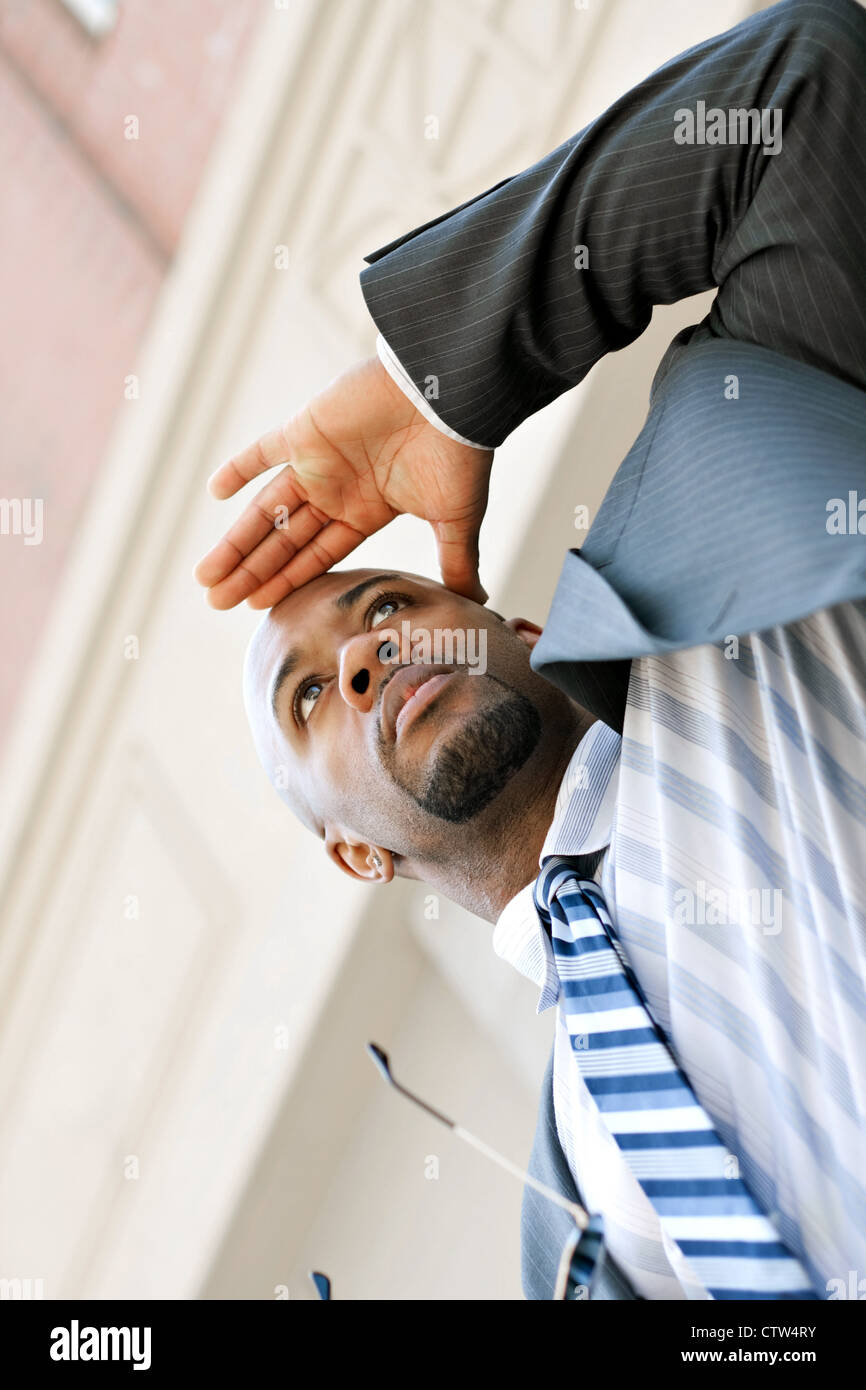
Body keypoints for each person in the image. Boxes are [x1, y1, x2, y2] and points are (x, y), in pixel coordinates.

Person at [196, 0, 866, 1298]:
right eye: (307, 697)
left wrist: (432, 380)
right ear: (350, 850)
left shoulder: (735, 549)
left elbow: (813, 88)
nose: (363, 658)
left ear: (511, 630)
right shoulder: (578, 1237)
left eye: (384, 606)